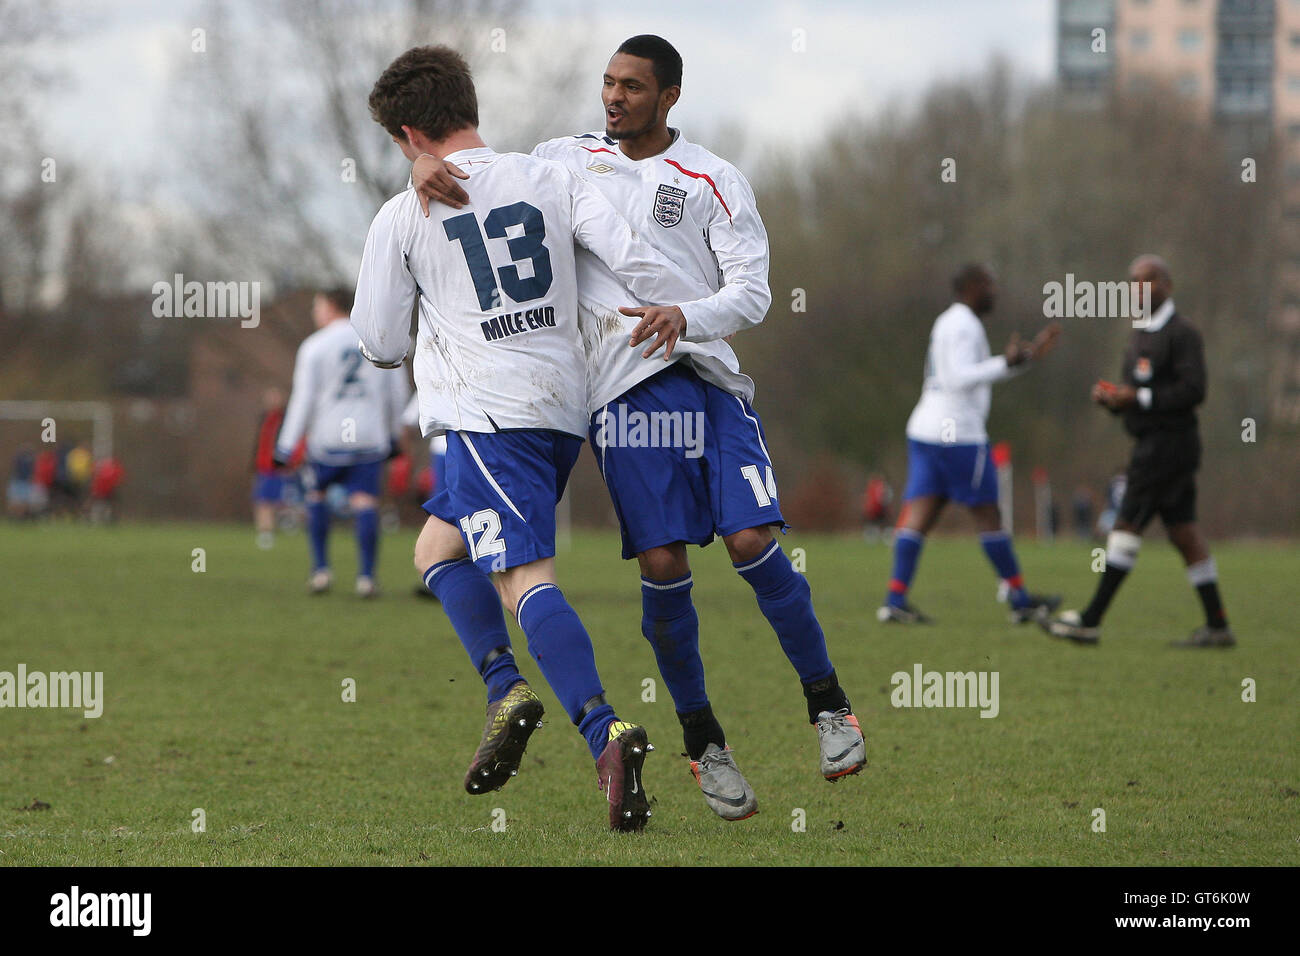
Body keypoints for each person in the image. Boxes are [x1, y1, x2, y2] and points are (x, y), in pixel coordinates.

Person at [413, 35, 866, 823]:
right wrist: (420, 166)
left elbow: (753, 293)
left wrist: (685, 315)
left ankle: (827, 702)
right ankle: (703, 740)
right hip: (621, 395)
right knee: (660, 563)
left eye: (631, 86)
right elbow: (484, 177)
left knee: (753, 540)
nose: (614, 97)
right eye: (608, 84)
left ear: (670, 97)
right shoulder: (562, 158)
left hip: (707, 380)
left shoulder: (714, 181)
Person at [352, 45, 714, 830]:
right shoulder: (554, 177)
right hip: (562, 409)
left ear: (409, 133)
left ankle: (603, 729)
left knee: (523, 580)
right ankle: (502, 689)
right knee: (435, 551)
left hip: (487, 417)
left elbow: (379, 342)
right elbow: (636, 263)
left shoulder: (402, 213)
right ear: (469, 104)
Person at [1044, 255, 1234, 648]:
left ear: (1167, 285)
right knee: (1183, 533)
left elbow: (1195, 390)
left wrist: (1141, 396)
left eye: (1147, 281)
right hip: (1152, 443)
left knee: (1125, 526)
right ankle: (1217, 626)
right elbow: (1134, 395)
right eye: (1133, 281)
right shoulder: (1139, 335)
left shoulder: (1183, 334)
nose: (1138, 288)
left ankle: (1091, 620)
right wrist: (1114, 400)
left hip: (1168, 446)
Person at [877, 264, 1062, 624]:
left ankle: (894, 601)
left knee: (921, 515)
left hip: (927, 428)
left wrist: (1022, 360)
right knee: (988, 514)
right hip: (958, 434)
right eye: (991, 286)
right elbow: (959, 379)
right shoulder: (964, 324)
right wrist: (1005, 362)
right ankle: (1021, 600)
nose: (995, 292)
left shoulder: (950, 321)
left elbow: (973, 375)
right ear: (974, 287)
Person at [274, 287, 410, 597]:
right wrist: (393, 434)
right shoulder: (379, 338)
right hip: (369, 436)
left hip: (328, 437)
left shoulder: (314, 346)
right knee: (366, 502)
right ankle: (366, 578)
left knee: (317, 496)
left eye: (317, 305)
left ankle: (321, 571)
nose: (314, 311)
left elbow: (303, 399)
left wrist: (286, 445)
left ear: (331, 305)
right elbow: (397, 393)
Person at [251, 387, 293, 549]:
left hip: (277, 468)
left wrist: (288, 462)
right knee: (262, 501)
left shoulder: (284, 419)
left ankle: (276, 529)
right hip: (262, 468)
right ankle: (265, 533)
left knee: (276, 502)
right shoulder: (264, 418)